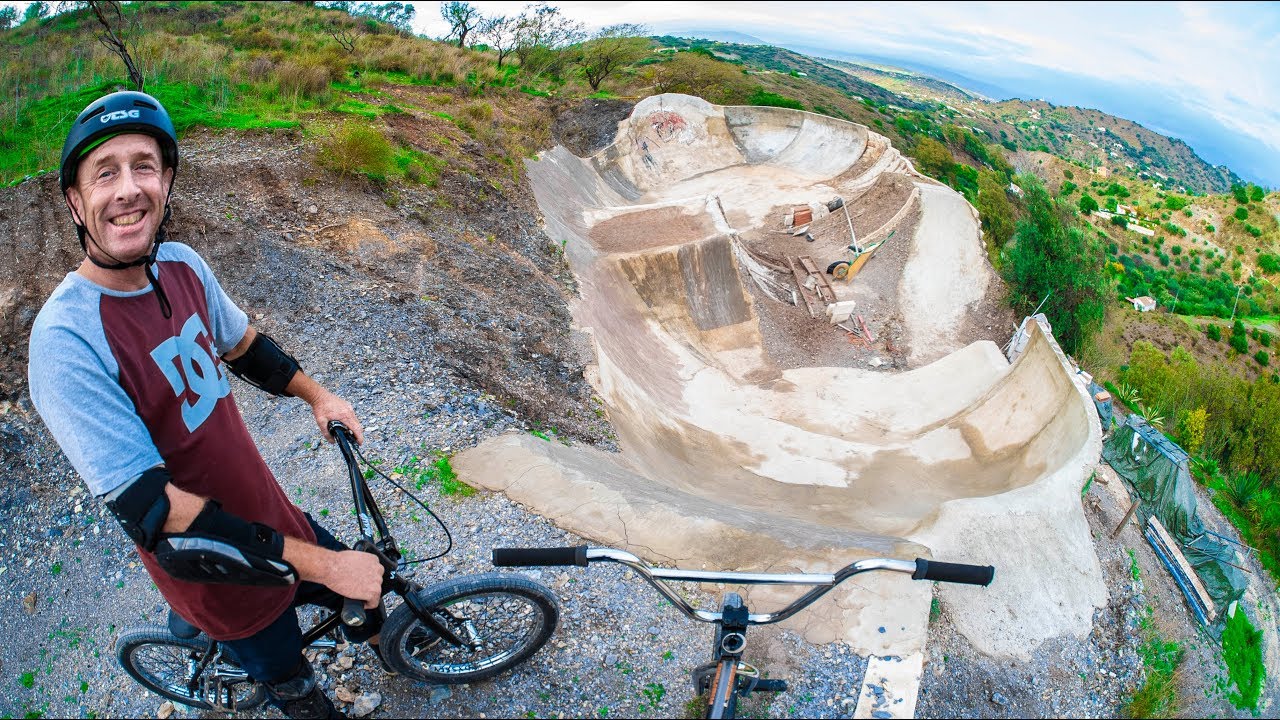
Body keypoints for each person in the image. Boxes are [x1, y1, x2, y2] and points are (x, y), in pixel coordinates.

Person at [28, 90, 385, 719]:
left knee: (364, 587)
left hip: (270, 514)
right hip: (216, 570)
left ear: (166, 181)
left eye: (144, 166)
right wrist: (326, 565)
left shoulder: (182, 266)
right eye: (104, 173)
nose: (127, 189)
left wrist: (317, 395)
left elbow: (243, 345)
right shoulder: (66, 342)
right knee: (295, 684)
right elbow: (152, 509)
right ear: (76, 202)